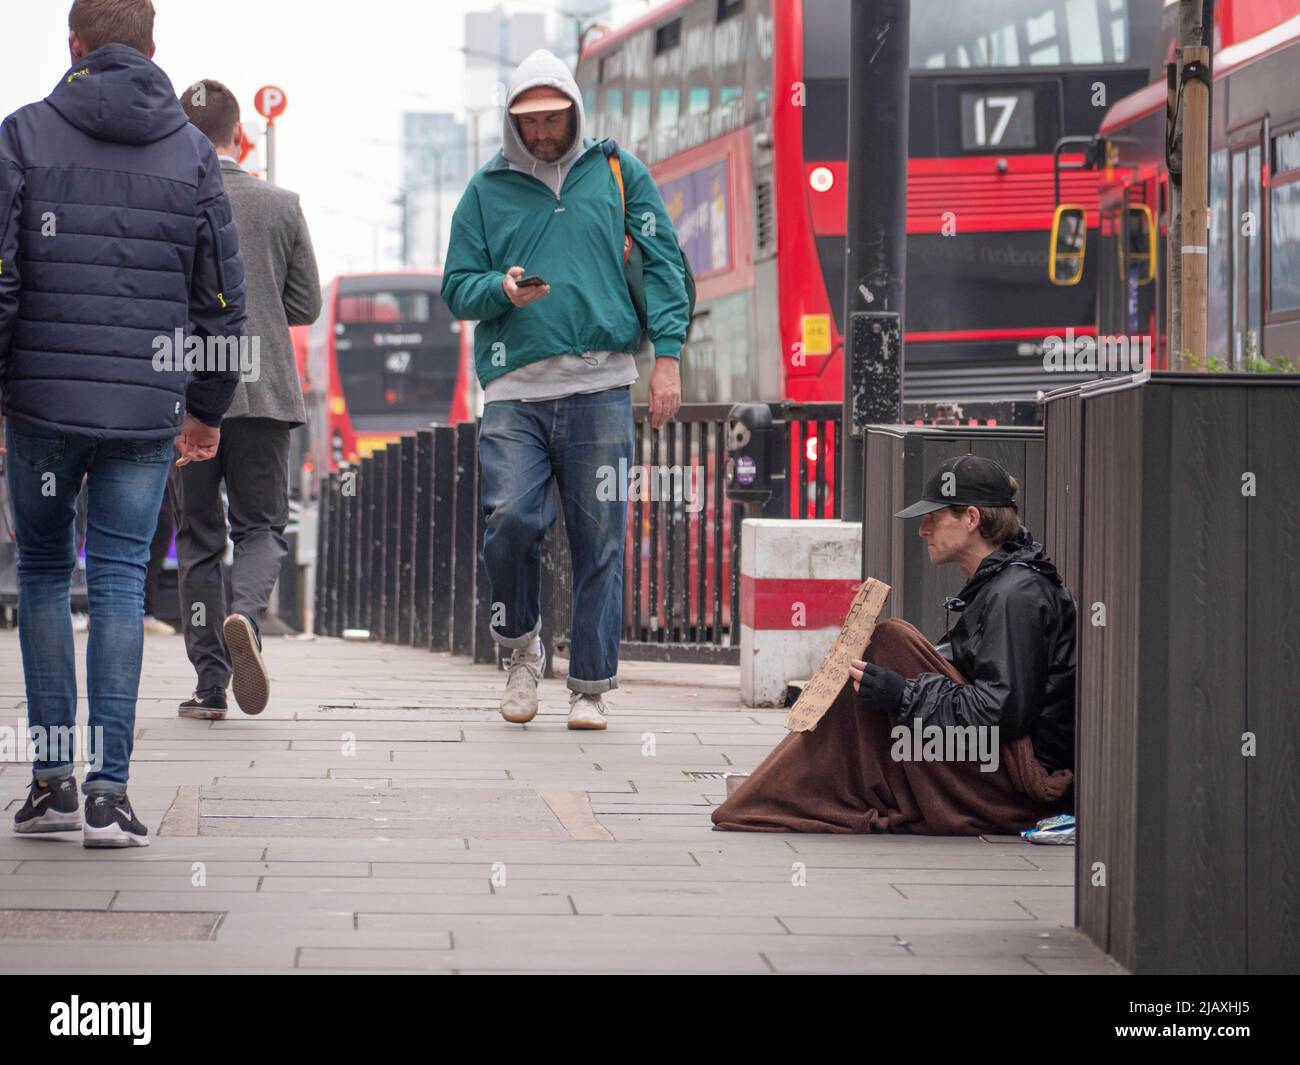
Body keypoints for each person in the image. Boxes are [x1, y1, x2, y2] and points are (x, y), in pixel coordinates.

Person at [0, 0, 245, 847]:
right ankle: (109, 793)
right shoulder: (190, 151)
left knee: (40, 571)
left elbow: (0, 279)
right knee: (116, 580)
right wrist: (206, 409)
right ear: (151, 49)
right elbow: (222, 298)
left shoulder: (24, 135)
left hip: (39, 402)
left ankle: (50, 781)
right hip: (145, 407)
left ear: (73, 46)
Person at [442, 49, 690, 731]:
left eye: (555, 117)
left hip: (603, 385)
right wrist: (499, 288)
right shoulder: (485, 190)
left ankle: (589, 686)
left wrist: (667, 357)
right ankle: (519, 648)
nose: (545, 130)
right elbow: (455, 286)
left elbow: (665, 260)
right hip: (515, 390)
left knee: (598, 538)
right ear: (512, 120)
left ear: (574, 112)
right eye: (532, 120)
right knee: (510, 521)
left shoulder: (617, 172)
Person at [712, 456, 1077, 835]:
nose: (923, 530)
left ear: (971, 519)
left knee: (892, 642)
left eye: (933, 517)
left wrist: (903, 693)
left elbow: (1000, 712)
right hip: (996, 764)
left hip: (1023, 783)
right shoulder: (1003, 586)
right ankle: (784, 788)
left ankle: (781, 791)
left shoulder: (1015, 594)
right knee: (879, 659)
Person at [173, 79, 321, 720]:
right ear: (241, 135)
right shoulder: (281, 203)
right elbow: (306, 305)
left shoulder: (171, 203)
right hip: (263, 393)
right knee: (261, 527)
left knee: (198, 537)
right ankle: (246, 615)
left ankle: (210, 688)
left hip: (188, 396)